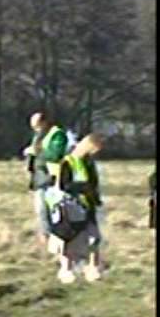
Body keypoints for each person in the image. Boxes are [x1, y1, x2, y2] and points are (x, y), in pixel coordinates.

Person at [48, 133, 106, 283]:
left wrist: (95, 198)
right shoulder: (67, 162)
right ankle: (66, 270)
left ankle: (93, 268)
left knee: (94, 239)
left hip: (88, 206)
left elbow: (94, 183)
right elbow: (64, 185)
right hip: (71, 207)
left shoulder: (89, 163)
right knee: (68, 239)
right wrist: (83, 188)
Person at [24, 112, 69, 249]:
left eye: (37, 126)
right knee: (41, 211)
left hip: (53, 178)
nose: (36, 129)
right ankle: (47, 238)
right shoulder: (40, 135)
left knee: (49, 211)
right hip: (40, 178)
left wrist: (35, 152)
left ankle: (53, 239)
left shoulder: (58, 134)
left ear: (44, 122)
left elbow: (55, 154)